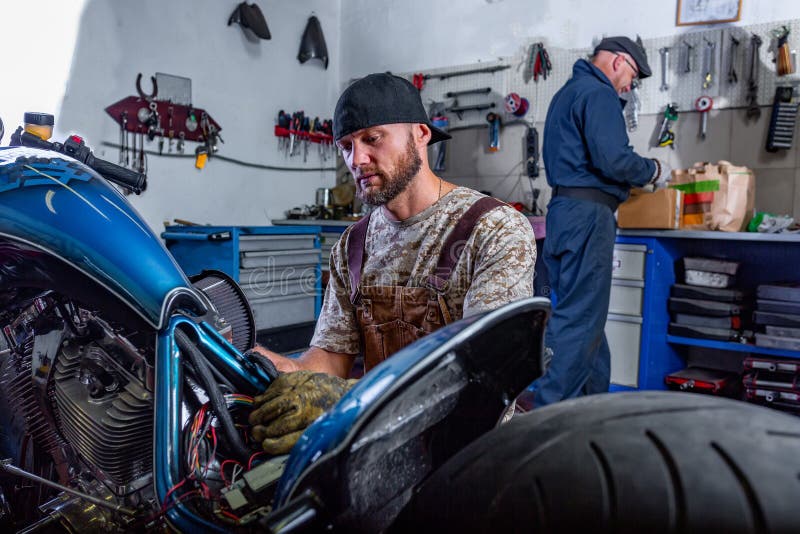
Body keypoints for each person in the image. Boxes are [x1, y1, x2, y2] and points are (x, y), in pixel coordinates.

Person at [249, 73, 537, 453]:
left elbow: (482, 375)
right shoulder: (352, 246)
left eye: (372, 139)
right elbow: (331, 360)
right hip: (385, 446)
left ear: (421, 134)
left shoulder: (493, 229)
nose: (358, 160)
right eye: (347, 146)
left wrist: (348, 399)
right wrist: (276, 369)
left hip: (476, 451)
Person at [533, 36, 672, 407]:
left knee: (586, 322)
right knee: (579, 322)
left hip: (563, 215)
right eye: (633, 75)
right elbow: (615, 159)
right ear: (617, 61)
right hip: (588, 218)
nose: (630, 86)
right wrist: (653, 170)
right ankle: (542, 418)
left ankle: (594, 409)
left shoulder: (568, 93)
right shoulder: (598, 94)